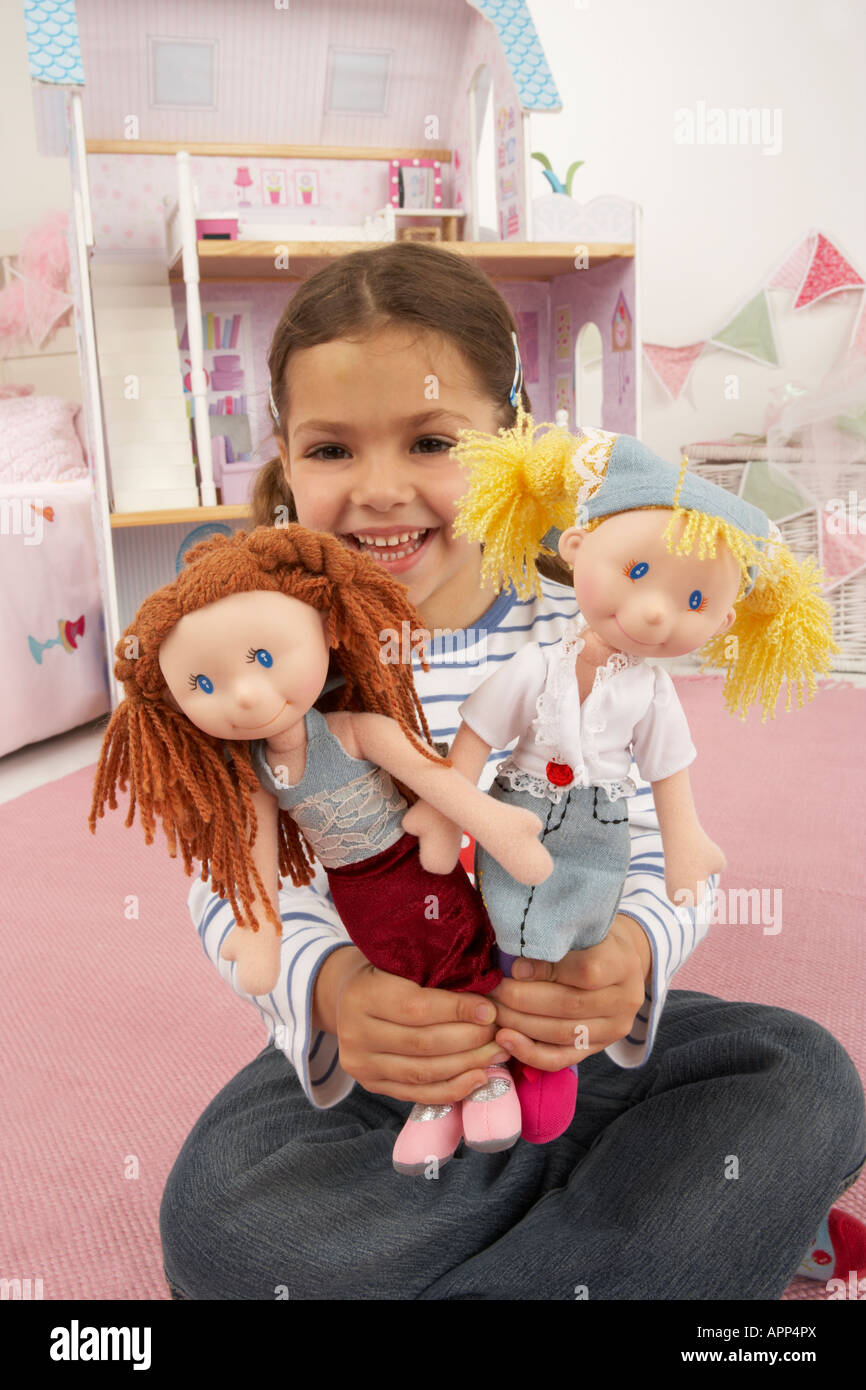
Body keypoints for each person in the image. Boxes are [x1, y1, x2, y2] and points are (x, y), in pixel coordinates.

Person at [159, 241, 866, 1300]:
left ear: (511, 445)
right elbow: (239, 884)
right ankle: (638, 1236)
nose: (380, 490)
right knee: (222, 1223)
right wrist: (335, 992)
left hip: (564, 1030)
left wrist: (628, 952)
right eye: (331, 450)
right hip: (388, 1064)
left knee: (800, 1074)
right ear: (284, 460)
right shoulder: (261, 663)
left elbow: (667, 856)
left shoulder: (590, 639)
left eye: (432, 440)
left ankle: (548, 1224)